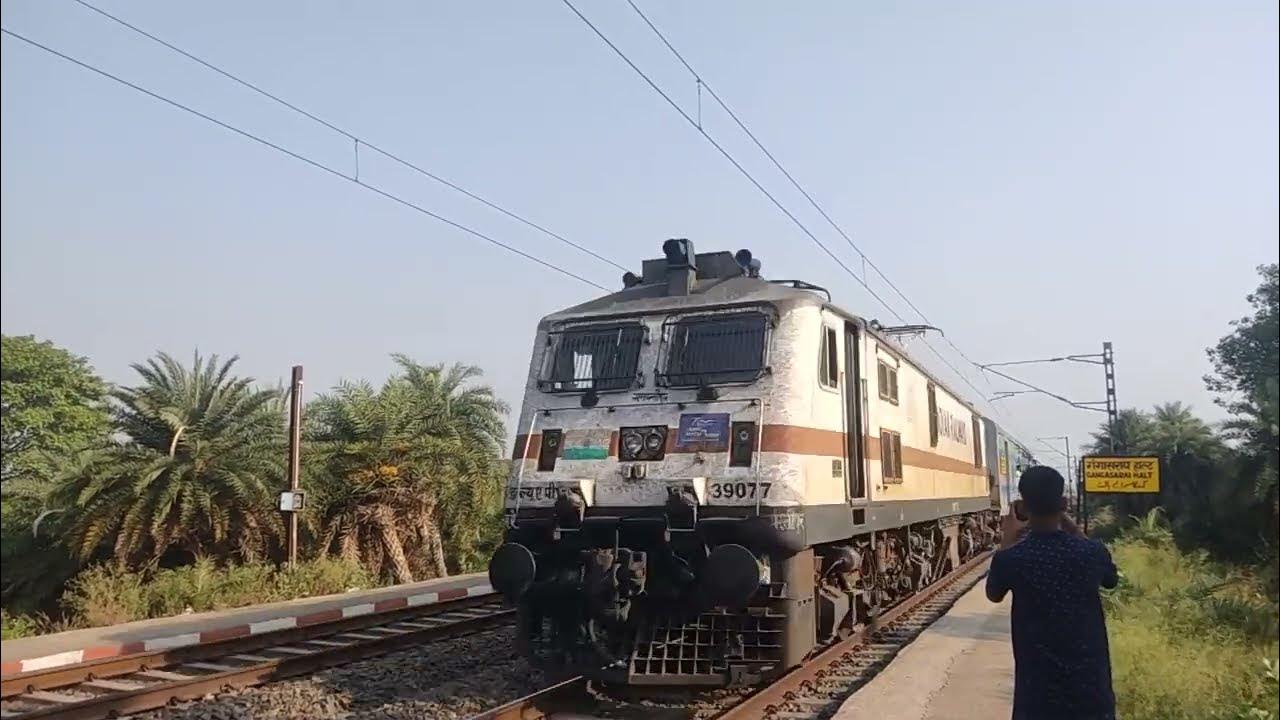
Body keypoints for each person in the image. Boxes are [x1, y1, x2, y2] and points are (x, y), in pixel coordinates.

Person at [986, 466, 1119, 720]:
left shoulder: (1012, 559)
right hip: (1090, 690)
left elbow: (994, 593)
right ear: (1064, 503)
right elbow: (1111, 580)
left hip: (1036, 694)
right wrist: (1069, 524)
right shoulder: (1092, 553)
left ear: (1023, 508)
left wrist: (1007, 538)